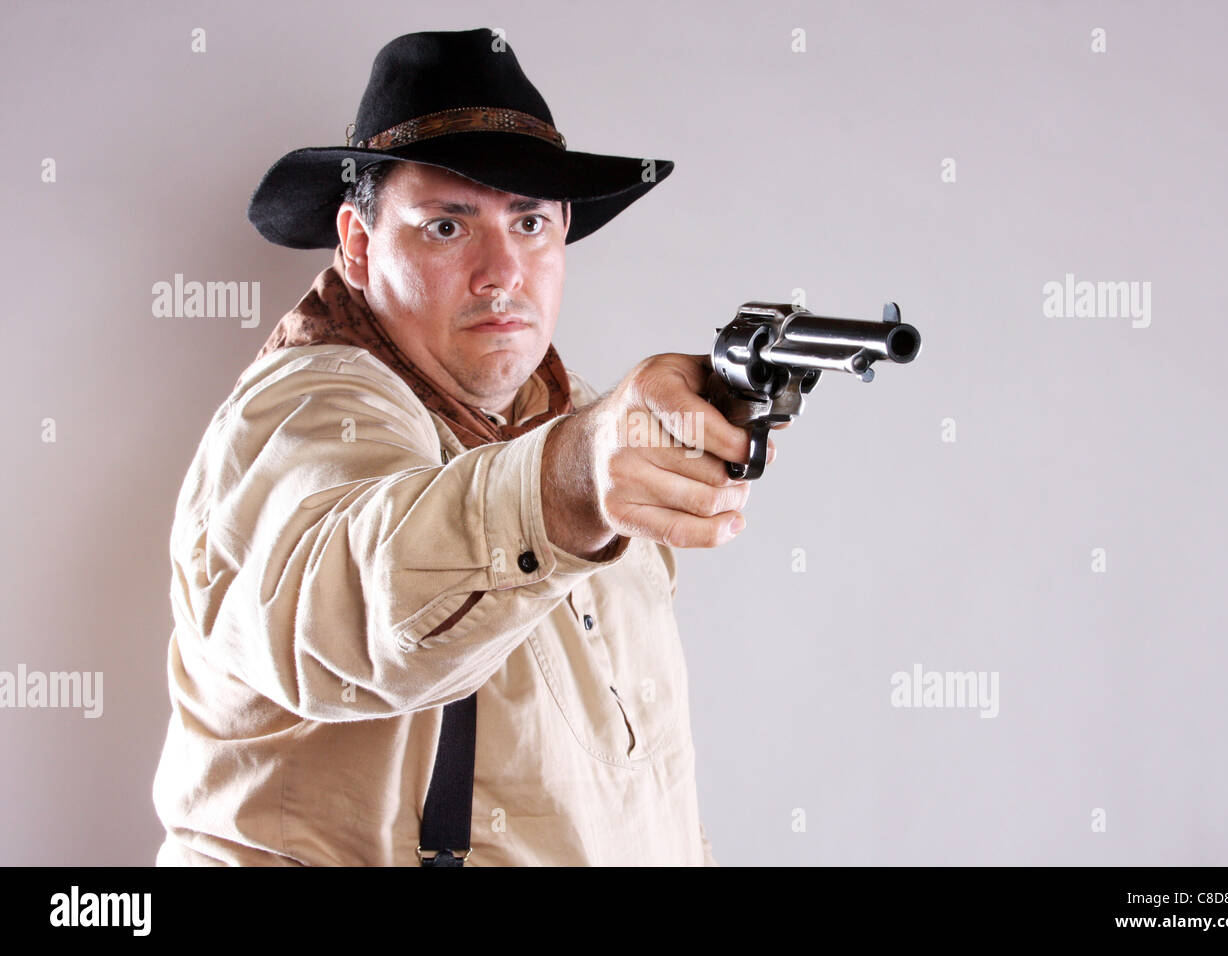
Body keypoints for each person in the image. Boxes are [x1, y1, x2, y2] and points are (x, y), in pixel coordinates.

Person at [151, 28, 776, 866]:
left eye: (529, 223)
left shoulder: (582, 416)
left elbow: (633, 778)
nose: (501, 271)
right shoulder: (307, 407)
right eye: (448, 227)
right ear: (361, 245)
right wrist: (566, 484)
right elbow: (347, 602)